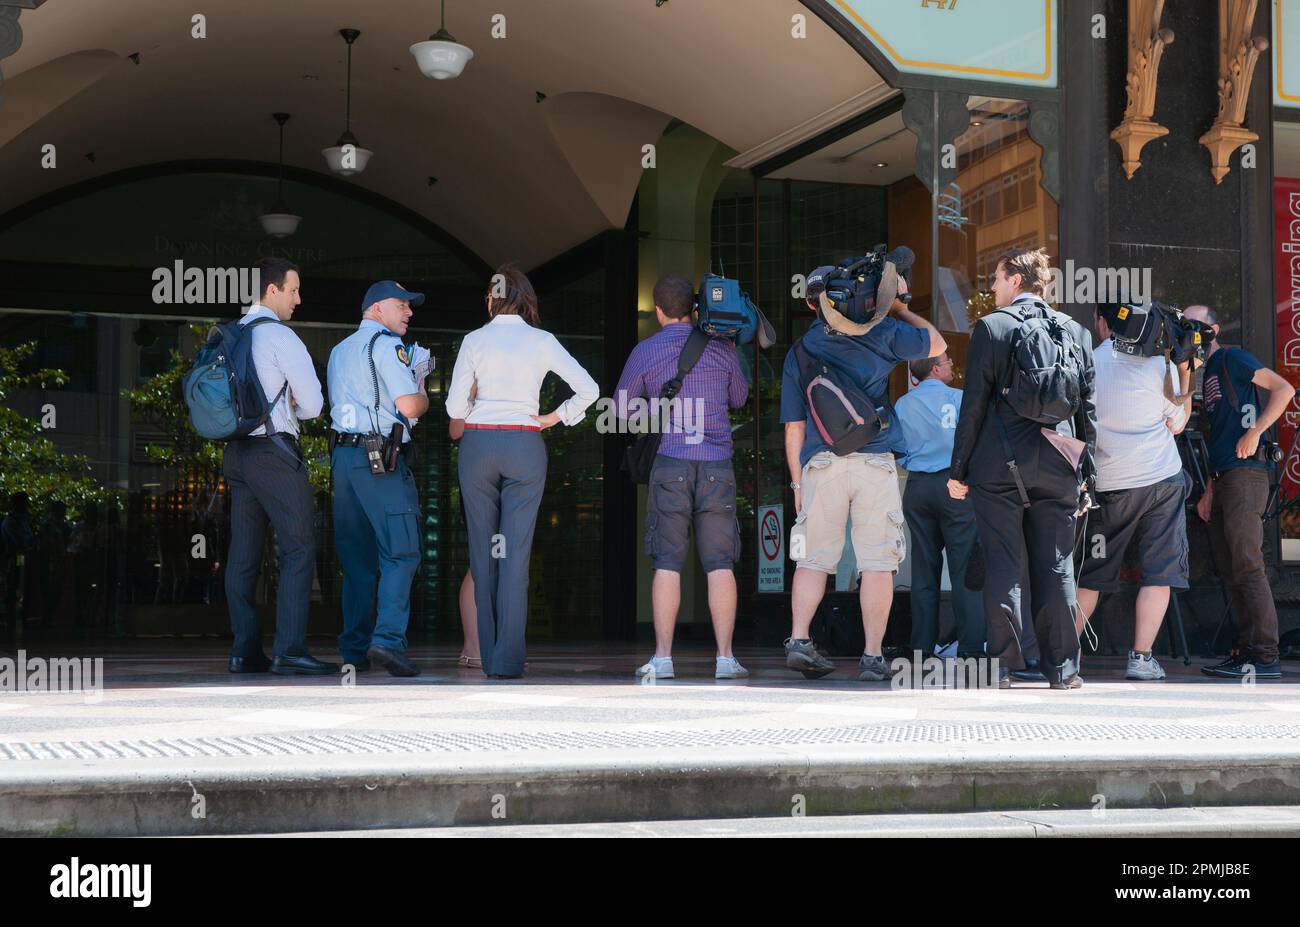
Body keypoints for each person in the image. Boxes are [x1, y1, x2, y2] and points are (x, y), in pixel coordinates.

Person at [781, 266, 946, 681]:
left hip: (822, 464)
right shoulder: (884, 331)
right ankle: (872, 657)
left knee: (813, 560)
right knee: (877, 563)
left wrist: (797, 482)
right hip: (874, 461)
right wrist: (900, 307)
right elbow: (937, 344)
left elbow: (794, 428)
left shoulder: (801, 350)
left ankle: (800, 640)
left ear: (811, 303)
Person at [948, 247, 1096, 690]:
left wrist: (959, 469)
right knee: (1057, 565)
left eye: (995, 278)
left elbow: (973, 405)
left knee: (1003, 563)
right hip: (1059, 462)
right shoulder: (1076, 331)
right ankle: (1063, 671)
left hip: (999, 464)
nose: (991, 287)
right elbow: (1088, 411)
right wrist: (1087, 475)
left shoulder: (991, 328)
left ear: (1015, 280)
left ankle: (1004, 666)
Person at [445, 264, 599, 678]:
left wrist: (480, 401)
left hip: (478, 446)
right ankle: (508, 661)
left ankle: (485, 655)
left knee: (483, 554)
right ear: (526, 298)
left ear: (492, 299)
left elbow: (455, 410)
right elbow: (590, 389)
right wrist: (554, 418)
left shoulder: (474, 340)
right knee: (515, 556)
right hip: (524, 445)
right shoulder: (542, 341)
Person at [615, 274, 750, 680]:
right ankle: (725, 658)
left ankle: (662, 658)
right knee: (720, 564)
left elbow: (622, 410)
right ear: (693, 307)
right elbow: (740, 398)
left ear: (657, 311)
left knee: (668, 563)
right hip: (716, 466)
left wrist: (655, 414)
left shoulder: (645, 351)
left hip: (671, 462)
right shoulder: (722, 347)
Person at [223, 257, 334, 675]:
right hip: (274, 452)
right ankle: (289, 649)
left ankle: (244, 651)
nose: (298, 299)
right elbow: (313, 404)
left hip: (236, 454)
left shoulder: (233, 333)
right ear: (272, 291)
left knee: (244, 555)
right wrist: (292, 404)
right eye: (293, 291)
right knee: (299, 546)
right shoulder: (279, 337)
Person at [1074, 305, 1193, 681]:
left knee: (1090, 575)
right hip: (1160, 479)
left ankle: (1060, 652)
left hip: (1108, 484)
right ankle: (1141, 658)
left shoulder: (1087, 363)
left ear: (1102, 324)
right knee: (1159, 572)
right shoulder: (1162, 366)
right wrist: (1186, 371)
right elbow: (1178, 422)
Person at [328, 280, 434, 677]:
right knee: (402, 551)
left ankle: (354, 649)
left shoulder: (339, 351)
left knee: (357, 559)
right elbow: (409, 405)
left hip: (344, 458)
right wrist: (421, 381)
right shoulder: (390, 347)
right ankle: (388, 642)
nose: (408, 312)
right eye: (401, 305)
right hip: (382, 459)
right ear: (376, 310)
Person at [1184, 304, 1296, 680]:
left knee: (1247, 563)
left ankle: (1265, 656)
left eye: (1196, 325)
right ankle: (1245, 651)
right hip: (1226, 476)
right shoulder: (1205, 372)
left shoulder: (1233, 358)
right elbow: (1217, 435)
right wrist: (1210, 490)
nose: (1190, 331)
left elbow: (1284, 388)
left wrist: (1255, 432)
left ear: (1213, 328)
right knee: (1232, 567)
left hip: (1248, 473)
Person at [895, 353, 985, 660]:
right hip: (955, 486)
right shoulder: (960, 398)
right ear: (935, 369)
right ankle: (972, 648)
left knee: (923, 569)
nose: (951, 365)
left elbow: (898, 449)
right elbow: (973, 441)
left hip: (918, 487)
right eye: (947, 362)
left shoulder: (903, 404)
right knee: (965, 570)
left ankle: (921, 648)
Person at [449, 405, 481, 669]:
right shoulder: (471, 372)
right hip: (481, 474)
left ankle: (492, 646)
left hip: (511, 470)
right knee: (480, 564)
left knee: (504, 563)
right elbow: (455, 430)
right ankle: (472, 646)